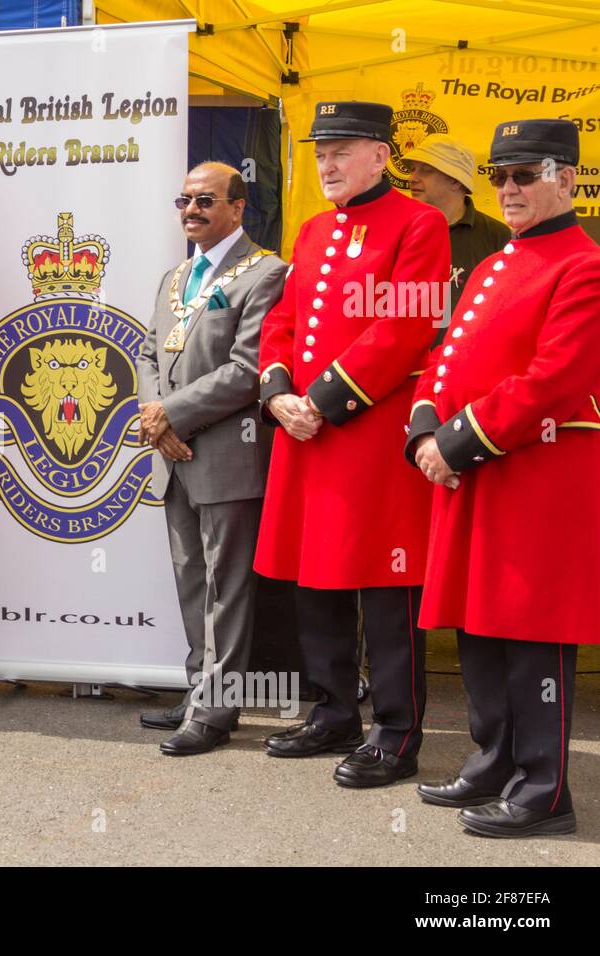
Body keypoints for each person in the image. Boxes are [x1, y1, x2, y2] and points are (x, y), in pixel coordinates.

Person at [406, 119, 600, 837]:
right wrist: (424, 424)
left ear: (567, 179)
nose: (510, 188)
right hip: (476, 467)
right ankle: (495, 759)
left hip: (536, 471)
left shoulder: (585, 263)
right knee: (480, 621)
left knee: (531, 626)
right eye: (500, 176)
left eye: (527, 174)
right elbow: (445, 360)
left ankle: (546, 791)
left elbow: (555, 381)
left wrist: (454, 443)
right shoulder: (492, 266)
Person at [256, 102, 449, 786]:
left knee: (386, 583)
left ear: (381, 155)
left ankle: (397, 732)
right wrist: (277, 389)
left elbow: (404, 329)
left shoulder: (419, 223)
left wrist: (323, 402)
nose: (328, 164)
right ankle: (334, 710)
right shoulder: (310, 230)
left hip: (366, 430)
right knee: (316, 579)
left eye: (343, 151)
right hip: (306, 432)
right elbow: (282, 318)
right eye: (321, 152)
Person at [136, 162, 288, 756]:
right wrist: (158, 417)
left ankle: (217, 709)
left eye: (205, 200)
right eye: (184, 200)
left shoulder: (266, 272)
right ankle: (198, 687)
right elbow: (148, 353)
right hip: (172, 454)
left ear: (238, 207)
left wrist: (172, 415)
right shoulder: (175, 277)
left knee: (228, 585)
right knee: (190, 578)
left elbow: (249, 370)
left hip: (227, 453)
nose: (191, 210)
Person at [403, 134, 511, 337]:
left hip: (467, 362)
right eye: (413, 169)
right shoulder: (400, 230)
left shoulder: (496, 236)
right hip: (405, 363)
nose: (412, 177)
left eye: (426, 170)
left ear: (455, 180)